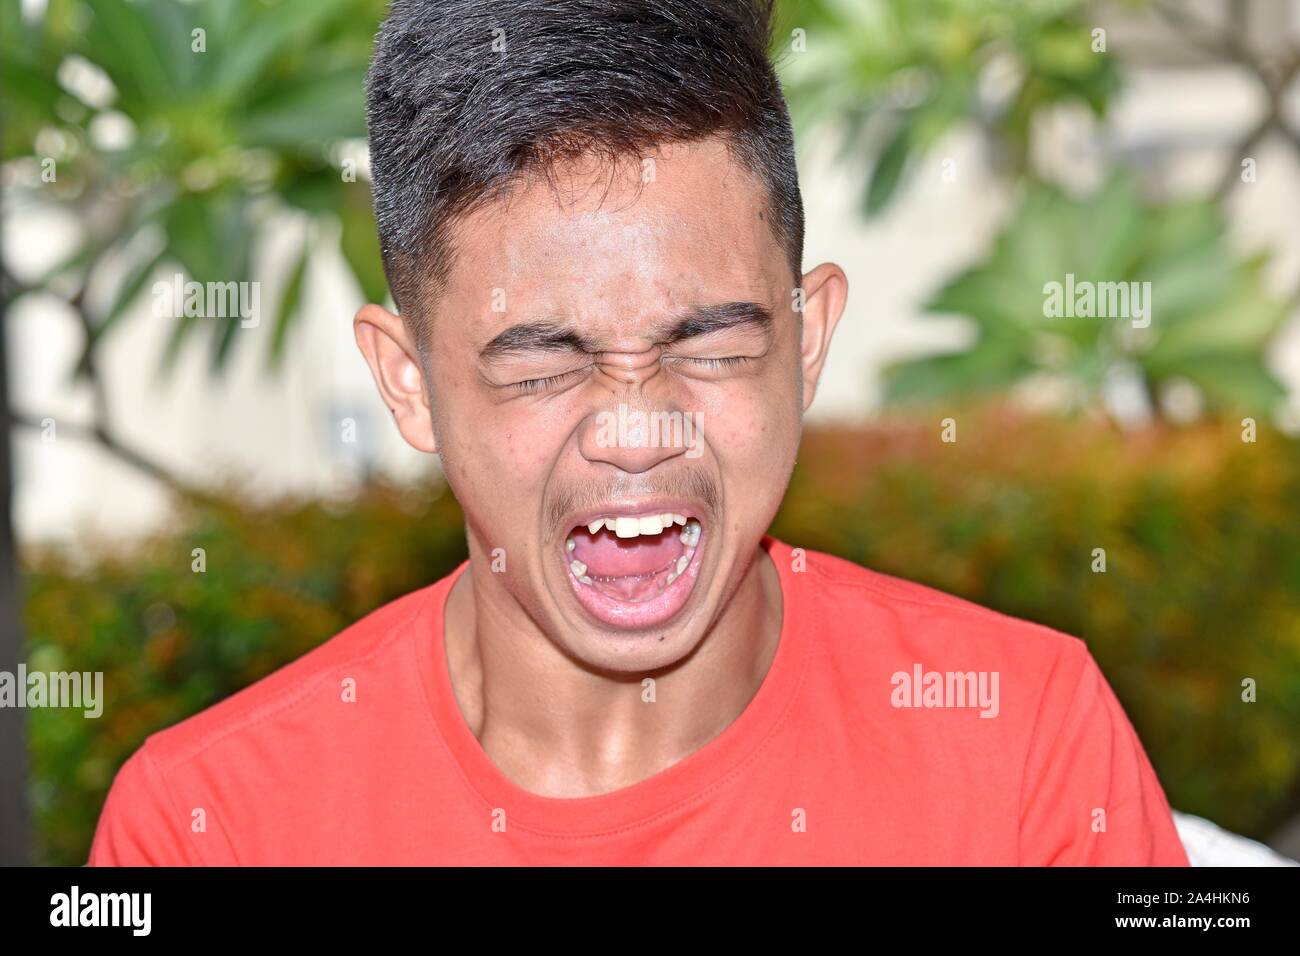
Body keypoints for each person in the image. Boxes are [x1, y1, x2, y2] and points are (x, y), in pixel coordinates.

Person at [88, 0, 1188, 865]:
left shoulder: (1026, 743)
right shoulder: (208, 827)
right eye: (544, 360)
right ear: (409, 380)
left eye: (706, 347)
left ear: (808, 341)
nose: (633, 429)